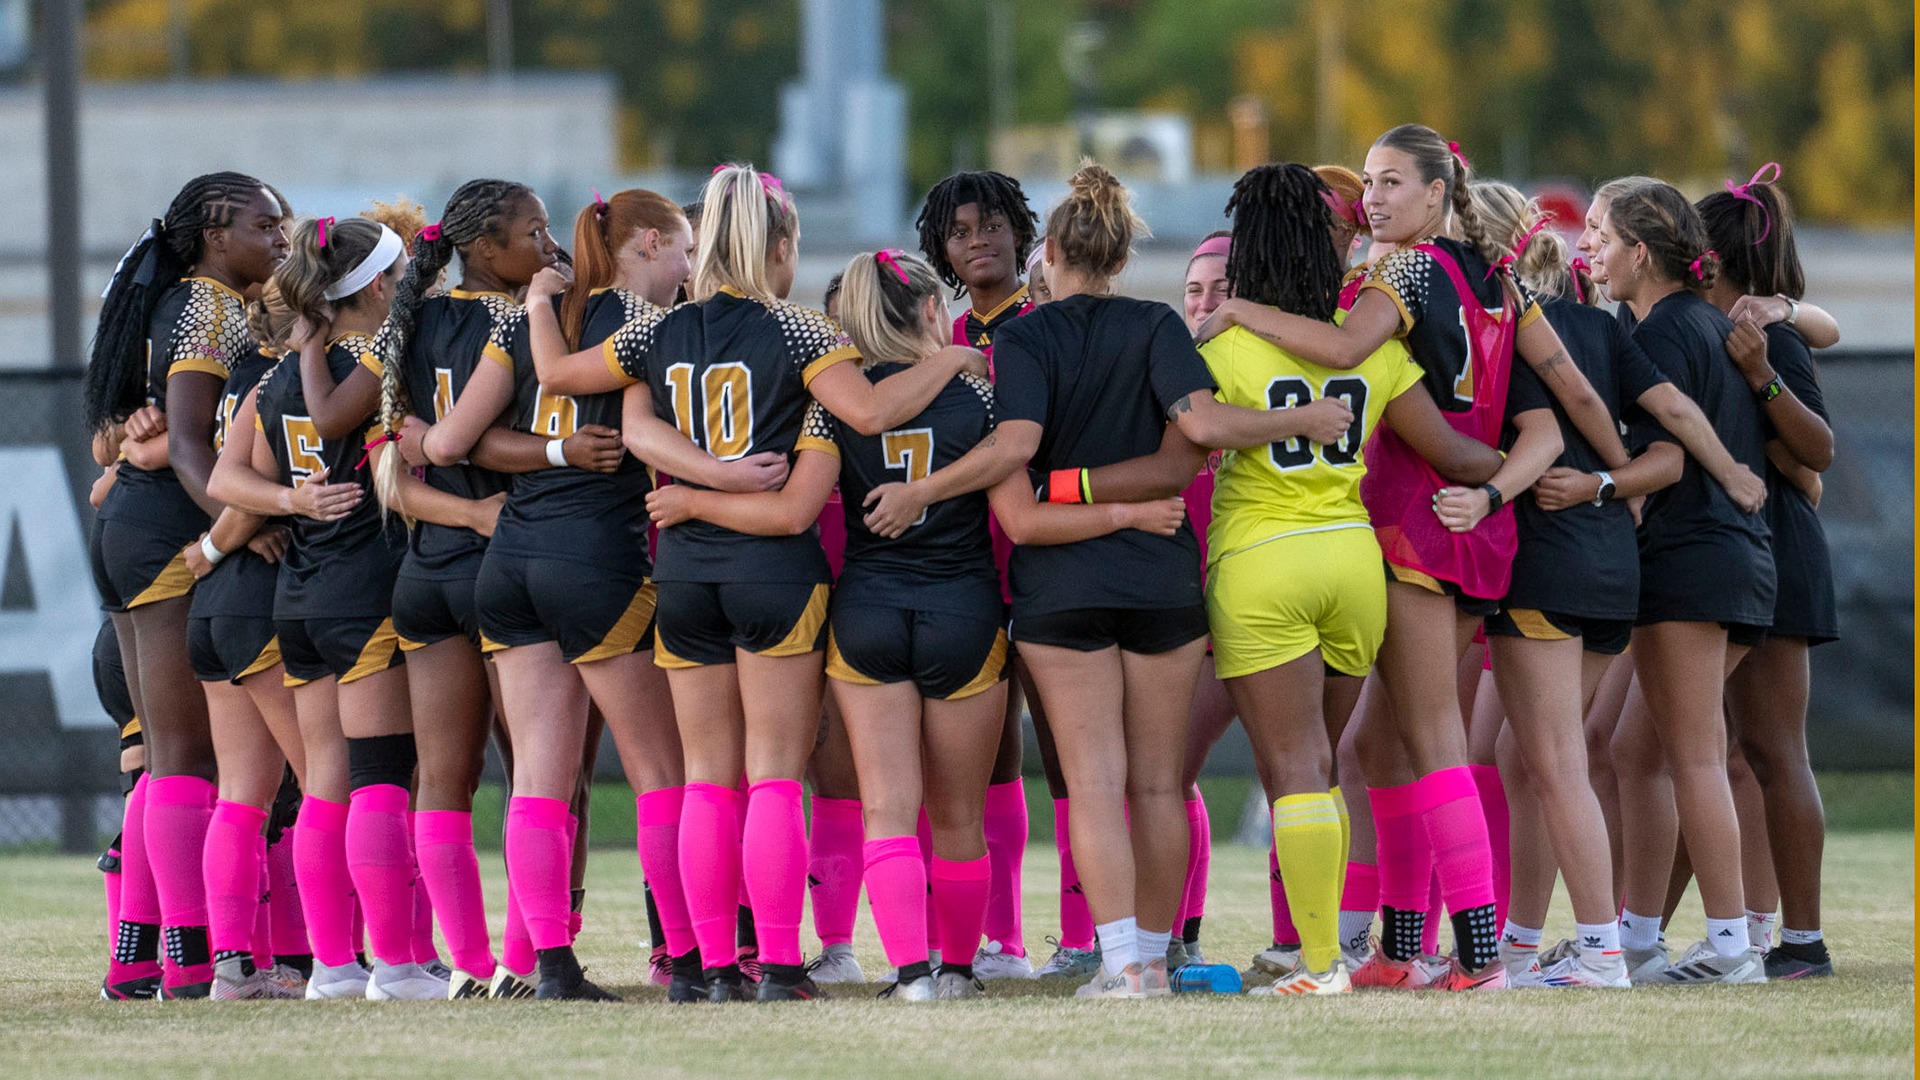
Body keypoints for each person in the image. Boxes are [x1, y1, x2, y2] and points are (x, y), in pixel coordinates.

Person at [527, 164, 981, 1003]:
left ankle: (703, 971)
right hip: (775, 571)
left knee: (706, 776)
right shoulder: (802, 331)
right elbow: (872, 413)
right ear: (779, 246)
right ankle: (775, 966)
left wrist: (533, 308)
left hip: (685, 571)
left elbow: (559, 379)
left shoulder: (658, 329)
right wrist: (955, 357)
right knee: (771, 774)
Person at [1200, 163, 1507, 996]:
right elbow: (1456, 453)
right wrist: (1526, 466)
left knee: (1295, 770)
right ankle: (1382, 948)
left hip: (1262, 559)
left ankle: (1319, 963)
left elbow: (1184, 439)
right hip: (1356, 566)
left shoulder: (1222, 341)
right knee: (1329, 763)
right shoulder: (1373, 348)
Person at [424, 187, 718, 1001]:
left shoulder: (531, 317)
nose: (689, 267)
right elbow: (652, 435)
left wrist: (541, 449)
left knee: (539, 780)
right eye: (684, 250)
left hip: (510, 562)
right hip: (596, 561)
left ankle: (550, 966)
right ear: (649, 244)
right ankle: (689, 963)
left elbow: (448, 442)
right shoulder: (649, 325)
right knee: (663, 771)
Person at [84, 172, 289, 999]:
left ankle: (139, 960)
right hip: (166, 533)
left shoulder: (199, 299)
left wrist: (128, 443)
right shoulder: (208, 305)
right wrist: (242, 521)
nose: (279, 239)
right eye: (263, 225)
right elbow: (193, 444)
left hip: (133, 527)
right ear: (213, 234)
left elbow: (143, 429)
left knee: (166, 756)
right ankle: (191, 962)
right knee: (186, 758)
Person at [248, 216, 434, 999]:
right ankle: (394, 965)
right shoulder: (375, 354)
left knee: (325, 783)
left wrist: (289, 504)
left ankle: (333, 966)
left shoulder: (281, 375)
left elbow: (249, 475)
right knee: (382, 777)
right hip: (364, 587)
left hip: (299, 593)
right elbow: (346, 429)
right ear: (380, 283)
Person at [1595, 182, 1774, 985]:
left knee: (1695, 756)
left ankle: (1733, 948)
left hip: (1694, 558)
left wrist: (1594, 487)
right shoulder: (1704, 322)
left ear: (1641, 253)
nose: (1592, 251)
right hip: (1731, 560)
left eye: (1603, 237)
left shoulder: (1666, 330)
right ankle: (1638, 939)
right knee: (1635, 749)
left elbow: (1667, 450)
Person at [1698, 175, 1838, 979]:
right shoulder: (1723, 327)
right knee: (1711, 750)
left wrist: (1764, 376)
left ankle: (1804, 940)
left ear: (1716, 260)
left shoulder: (1768, 339)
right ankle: (1645, 934)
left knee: (1775, 750)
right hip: (1739, 549)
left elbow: (1816, 451)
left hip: (1779, 550)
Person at [914, 171, 1043, 976]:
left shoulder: (1050, 323)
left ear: (1019, 231)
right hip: (964, 564)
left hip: (1049, 554)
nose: (977, 241)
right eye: (959, 232)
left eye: (991, 224)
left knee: (1064, 754)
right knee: (976, 762)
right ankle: (994, 938)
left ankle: (1080, 942)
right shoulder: (939, 341)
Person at [188, 280, 310, 1001]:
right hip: (259, 602)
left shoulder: (239, 376)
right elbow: (239, 489)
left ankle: (233, 968)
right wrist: (215, 545)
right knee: (329, 787)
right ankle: (352, 959)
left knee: (243, 794)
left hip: (215, 610)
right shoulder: (288, 382)